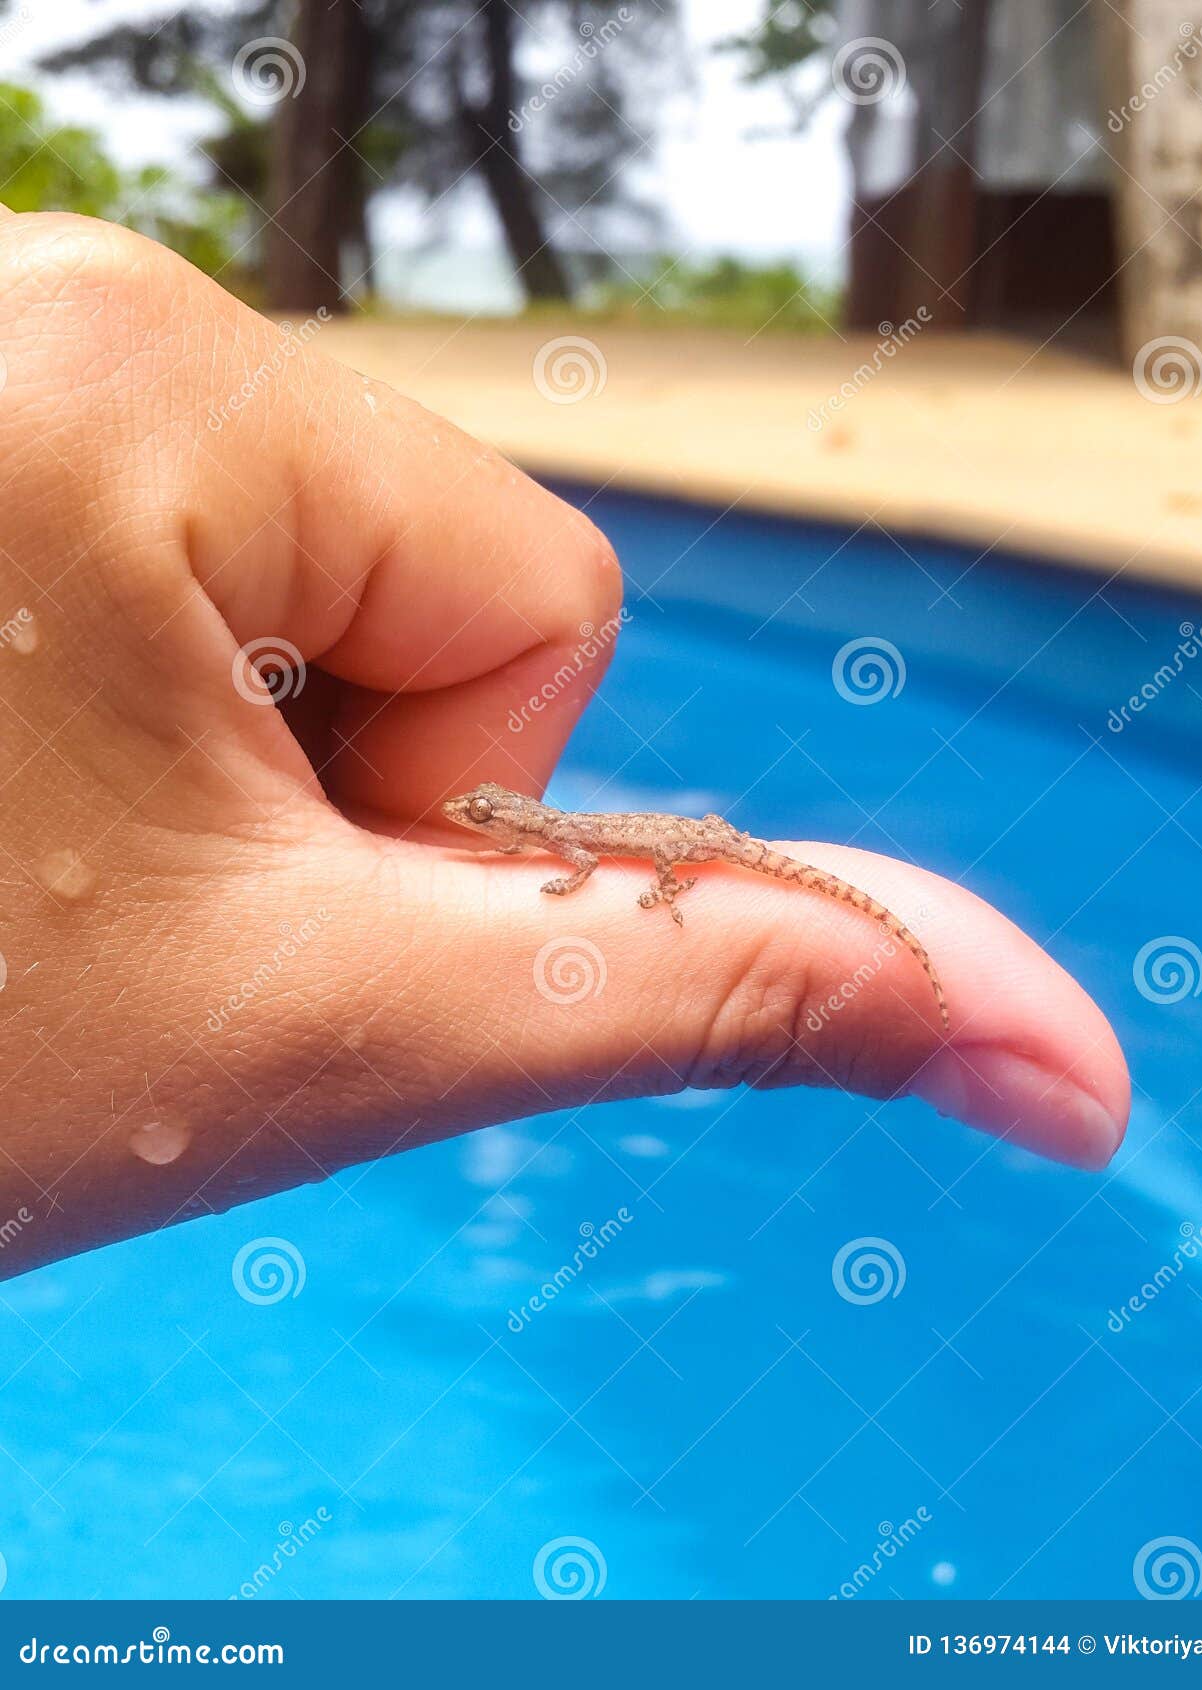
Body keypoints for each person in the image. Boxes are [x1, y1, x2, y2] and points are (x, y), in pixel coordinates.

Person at [0, 211, 1129, 1277]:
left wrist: (656, 896)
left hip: (693, 850)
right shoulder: (542, 835)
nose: (484, 819)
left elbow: (595, 861)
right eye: (489, 816)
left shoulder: (564, 847)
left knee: (752, 887)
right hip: (683, 844)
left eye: (491, 816)